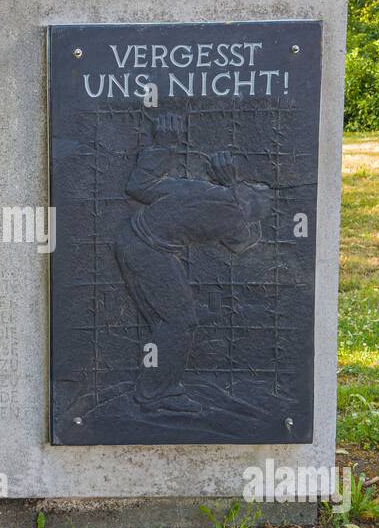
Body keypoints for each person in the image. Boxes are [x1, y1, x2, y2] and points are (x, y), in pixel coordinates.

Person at [114, 113, 272, 415]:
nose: (256, 197)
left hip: (137, 244)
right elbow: (241, 241)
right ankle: (156, 394)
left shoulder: (209, 195)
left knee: (173, 322)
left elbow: (140, 185)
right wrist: (165, 147)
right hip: (147, 250)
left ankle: (157, 389)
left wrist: (164, 147)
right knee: (178, 322)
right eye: (254, 194)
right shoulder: (220, 204)